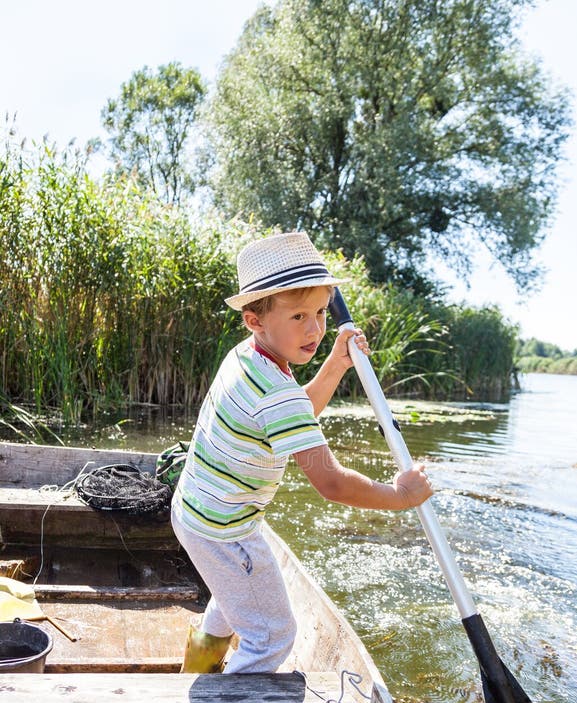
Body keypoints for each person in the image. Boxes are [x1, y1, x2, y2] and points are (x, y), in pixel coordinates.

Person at [171, 231, 433, 674]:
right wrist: (399, 496)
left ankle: (195, 672)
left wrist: (335, 364)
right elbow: (330, 482)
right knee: (273, 636)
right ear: (255, 319)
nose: (314, 329)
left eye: (320, 313)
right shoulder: (278, 392)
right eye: (298, 316)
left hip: (196, 513)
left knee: (230, 603)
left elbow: (294, 417)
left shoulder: (247, 357)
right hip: (226, 529)